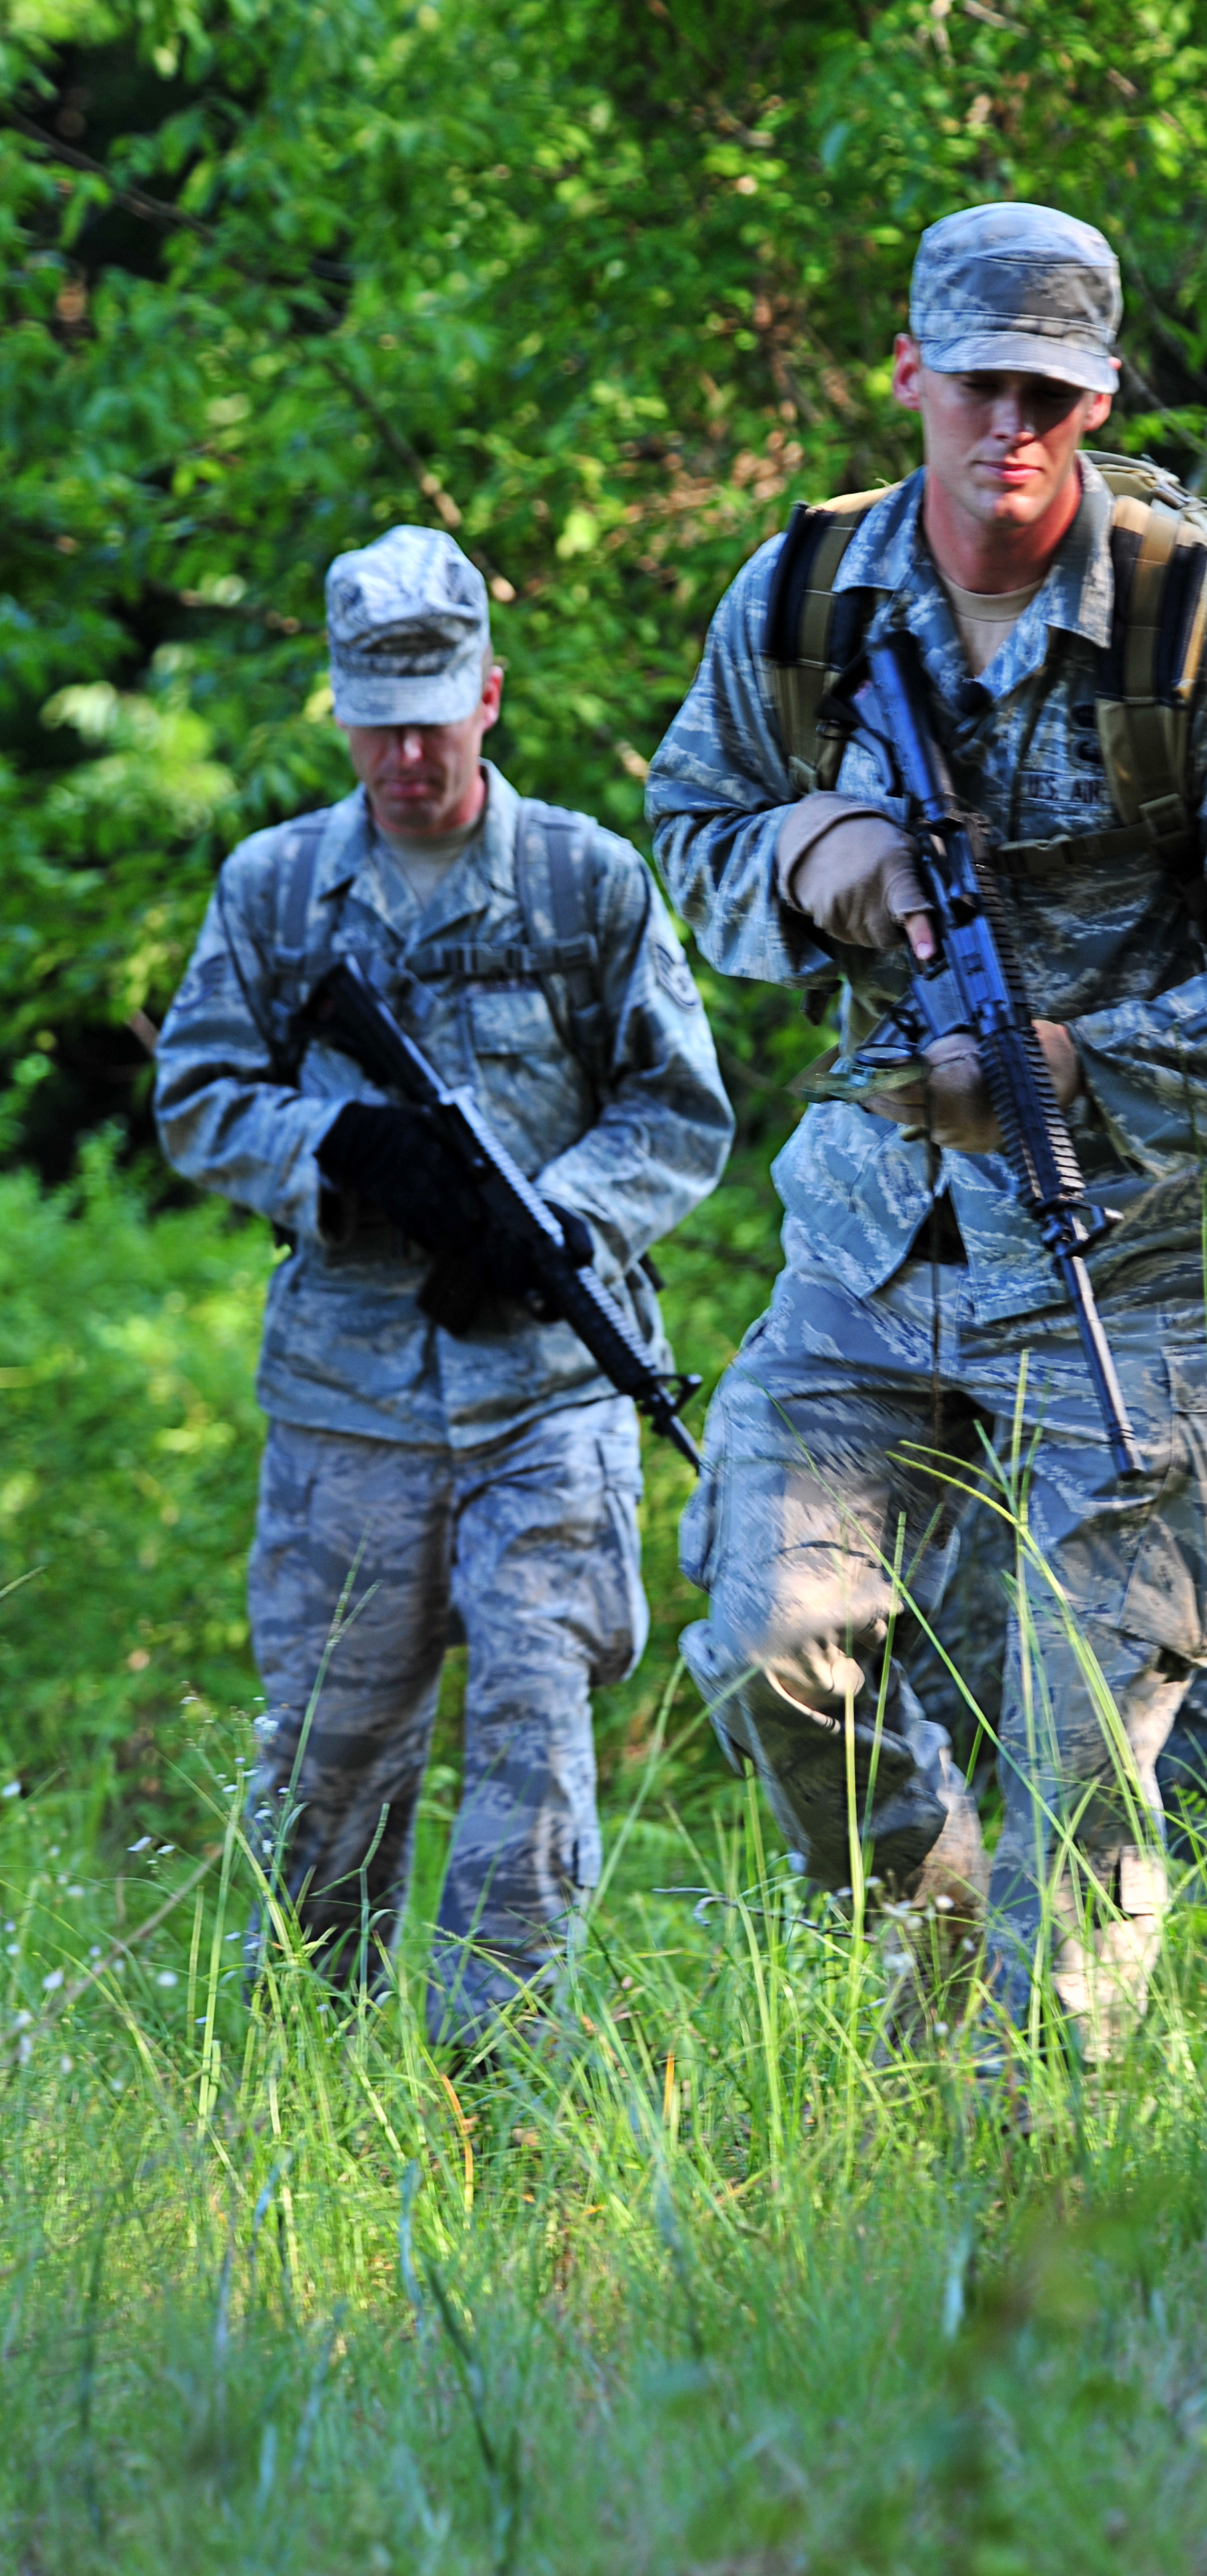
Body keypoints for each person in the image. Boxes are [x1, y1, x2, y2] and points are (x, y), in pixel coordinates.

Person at [646, 201, 1207, 2060]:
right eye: (980, 384)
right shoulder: (811, 600)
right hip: (873, 1241)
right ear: (908, 373)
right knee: (768, 1643)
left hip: (1125, 1250)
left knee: (1088, 1754)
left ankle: (1042, 2181)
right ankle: (927, 1972)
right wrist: (814, 858)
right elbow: (690, 827)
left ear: (1102, 391)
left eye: (1053, 394)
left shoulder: (1191, 620)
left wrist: (1088, 1067)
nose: (1013, 431)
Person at [155, 525, 734, 2041]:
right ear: (340, 712)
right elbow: (196, 1095)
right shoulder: (279, 891)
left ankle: (494, 2084)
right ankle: (321, 2089)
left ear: (489, 692)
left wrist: (552, 1215)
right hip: (348, 1407)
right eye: (375, 718)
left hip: (545, 1391)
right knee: (330, 1772)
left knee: (535, 1753)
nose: (405, 751)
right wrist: (335, 1152)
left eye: (431, 713)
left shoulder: (583, 882)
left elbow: (679, 1109)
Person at [901, 1080, 1207, 1858]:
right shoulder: (925, 974)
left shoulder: (1195, 959)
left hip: (1176, 1388)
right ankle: (957, 1961)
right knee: (964, 1742)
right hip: (976, 1414)